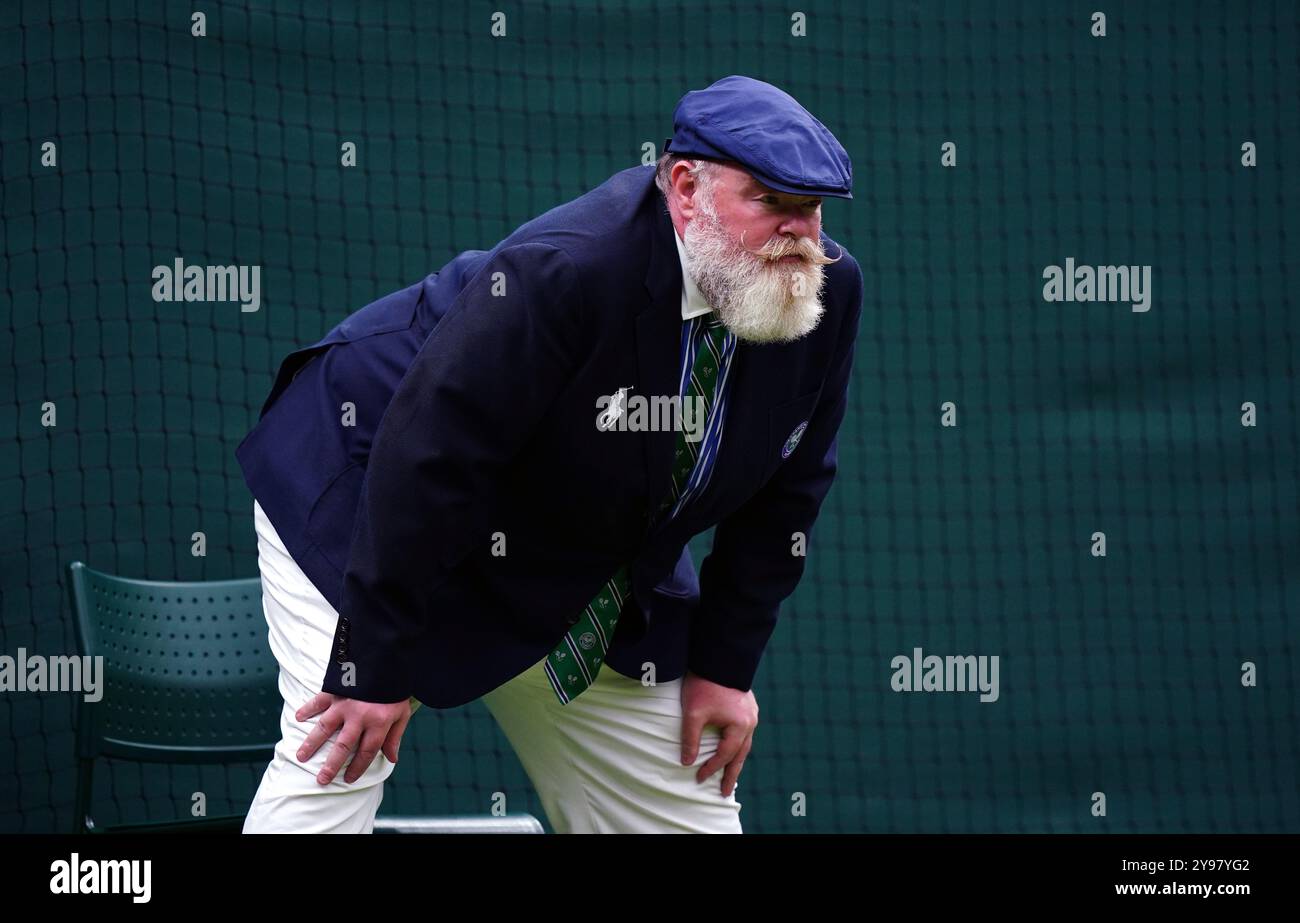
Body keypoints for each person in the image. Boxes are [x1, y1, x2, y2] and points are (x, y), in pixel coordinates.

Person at [236, 74, 863, 833]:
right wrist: (370, 662)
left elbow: (789, 491)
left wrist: (723, 667)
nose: (800, 232)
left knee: (683, 811)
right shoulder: (565, 270)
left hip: (578, 556)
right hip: (372, 487)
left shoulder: (822, 290)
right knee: (338, 756)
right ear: (686, 185)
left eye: (812, 208)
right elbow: (429, 454)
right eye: (772, 202)